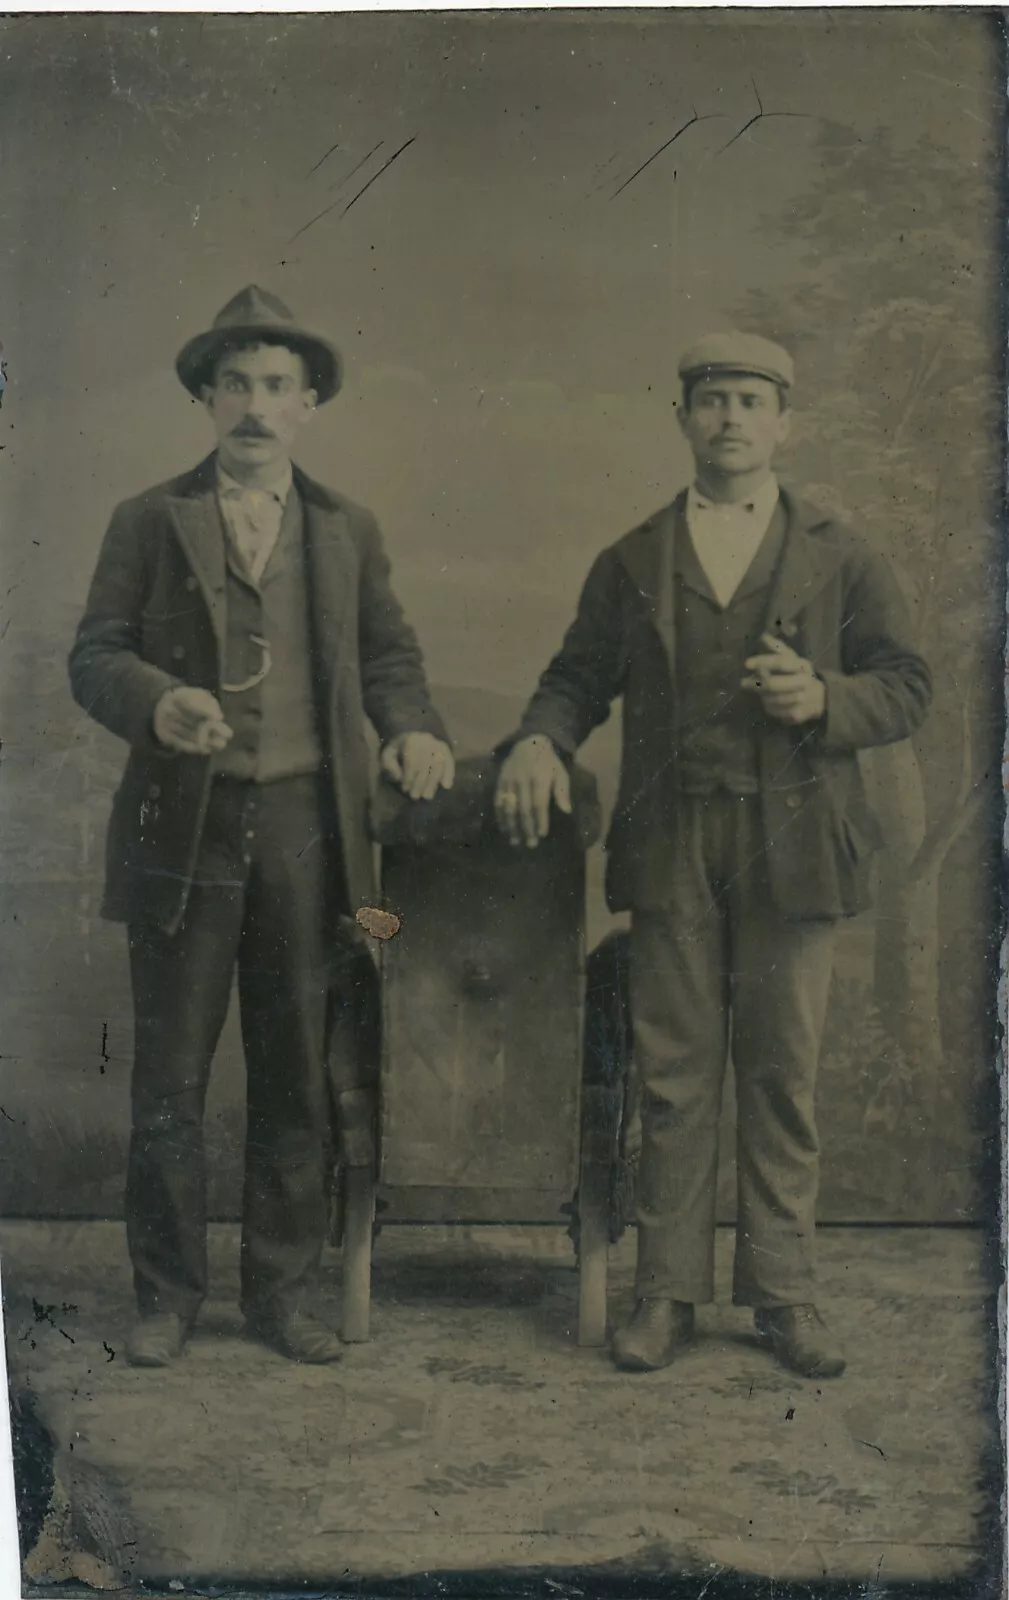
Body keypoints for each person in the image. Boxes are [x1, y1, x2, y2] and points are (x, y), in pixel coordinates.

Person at [495, 332, 931, 1379]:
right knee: (676, 1074)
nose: (730, 418)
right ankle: (666, 1291)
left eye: (750, 400)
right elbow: (574, 677)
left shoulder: (839, 548)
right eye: (711, 400)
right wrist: (536, 739)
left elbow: (908, 682)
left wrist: (827, 698)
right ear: (682, 419)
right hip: (675, 839)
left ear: (785, 423)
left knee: (781, 1071)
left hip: (796, 843)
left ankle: (785, 1293)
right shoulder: (635, 557)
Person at [69, 286, 454, 1368]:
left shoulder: (346, 529)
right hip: (180, 832)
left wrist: (413, 730)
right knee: (171, 1079)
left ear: (309, 404)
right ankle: (167, 1298)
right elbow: (93, 655)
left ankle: (280, 1293)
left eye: (276, 386)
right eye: (234, 382)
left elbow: (390, 658)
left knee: (295, 1068)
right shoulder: (148, 520)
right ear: (204, 394)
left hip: (308, 833)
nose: (253, 404)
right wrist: (154, 699)